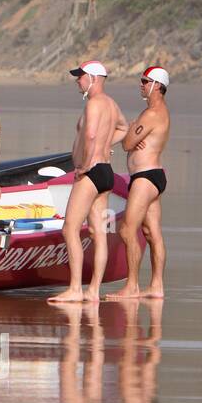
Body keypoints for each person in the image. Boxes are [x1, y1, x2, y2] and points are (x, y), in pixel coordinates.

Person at [49, 61, 129, 304]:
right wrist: (106, 146)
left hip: (91, 172)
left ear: (93, 78)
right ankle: (93, 291)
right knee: (98, 233)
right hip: (105, 171)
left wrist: (83, 165)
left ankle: (75, 288)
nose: (77, 80)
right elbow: (124, 128)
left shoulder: (94, 103)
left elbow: (91, 134)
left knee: (69, 229)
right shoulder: (112, 104)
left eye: (80, 76)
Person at [107, 66, 171, 300]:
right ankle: (156, 286)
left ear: (156, 85)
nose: (141, 85)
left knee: (126, 229)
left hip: (145, 177)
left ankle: (132, 285)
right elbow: (133, 138)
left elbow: (127, 142)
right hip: (153, 175)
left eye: (144, 81)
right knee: (152, 233)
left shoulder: (151, 114)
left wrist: (133, 130)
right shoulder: (157, 112)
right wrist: (134, 132)